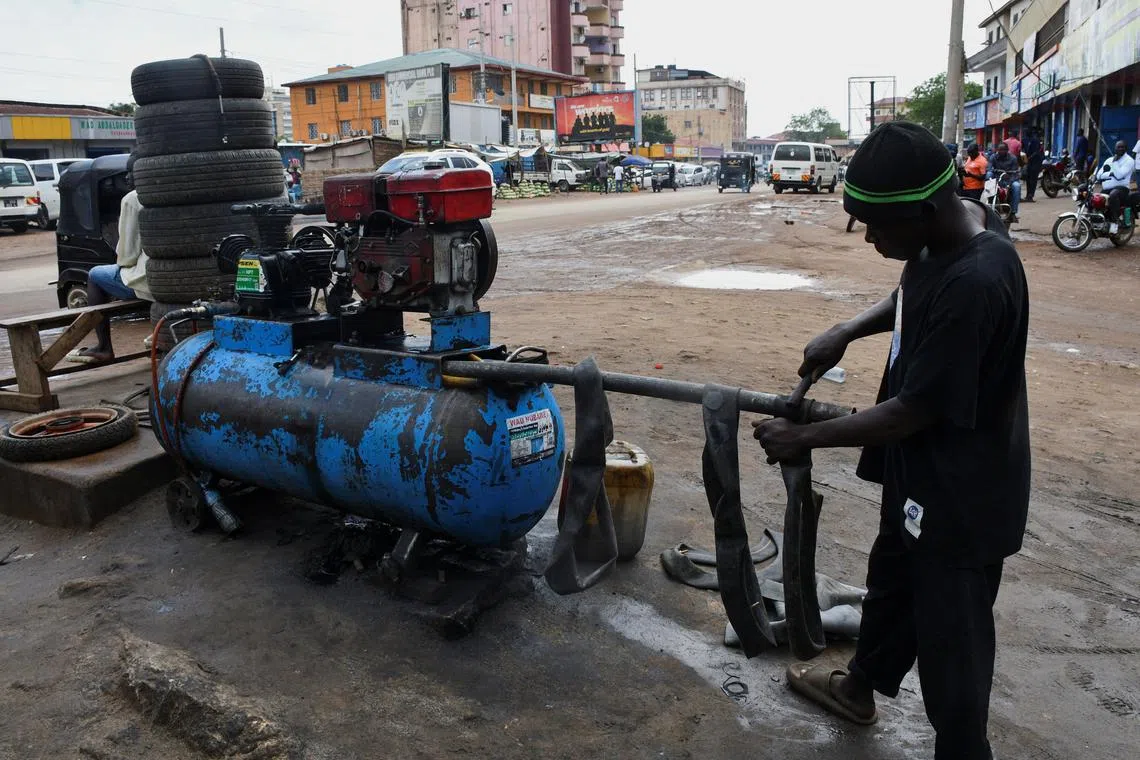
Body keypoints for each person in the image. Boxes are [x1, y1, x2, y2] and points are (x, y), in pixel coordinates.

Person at [753, 121, 1029, 760]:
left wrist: (804, 437)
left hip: (962, 492)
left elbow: (913, 412)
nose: (870, 237)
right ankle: (859, 688)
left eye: (877, 227)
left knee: (953, 642)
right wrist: (848, 330)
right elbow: (912, 288)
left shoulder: (977, 283)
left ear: (925, 210)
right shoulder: (954, 226)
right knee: (893, 580)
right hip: (920, 470)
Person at [69, 183, 153, 363]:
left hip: (151, 281)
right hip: (190, 278)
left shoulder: (133, 198)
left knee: (95, 275)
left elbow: (127, 256)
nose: (128, 178)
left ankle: (104, 347)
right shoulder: (187, 191)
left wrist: (123, 263)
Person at [1093, 140, 1136, 234]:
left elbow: (1119, 175)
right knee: (1095, 199)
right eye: (1118, 147)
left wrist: (1115, 163)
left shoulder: (1129, 161)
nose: (1120, 149)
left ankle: (1114, 221)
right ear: (1115, 148)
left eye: (1122, 147)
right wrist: (1110, 173)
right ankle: (1098, 221)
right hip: (1107, 188)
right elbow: (1099, 175)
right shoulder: (1109, 160)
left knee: (1113, 195)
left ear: (1126, 148)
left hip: (1122, 188)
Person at [988, 142, 1021, 223]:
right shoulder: (993, 157)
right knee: (988, 175)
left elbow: (1015, 173)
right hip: (996, 179)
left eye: (1004, 150)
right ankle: (989, 204)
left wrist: (1009, 182)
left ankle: (1013, 213)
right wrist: (995, 174)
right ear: (997, 150)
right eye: (1000, 150)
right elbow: (989, 169)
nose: (1002, 151)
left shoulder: (1013, 158)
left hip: (1010, 179)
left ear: (1007, 150)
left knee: (1017, 186)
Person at [1023, 128, 1044, 202]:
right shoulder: (1036, 140)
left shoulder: (1025, 140)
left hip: (1030, 162)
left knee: (1029, 180)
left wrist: (1026, 158)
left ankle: (1029, 195)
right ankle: (1030, 195)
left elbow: (1023, 151)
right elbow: (1038, 152)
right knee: (1032, 180)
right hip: (1034, 162)